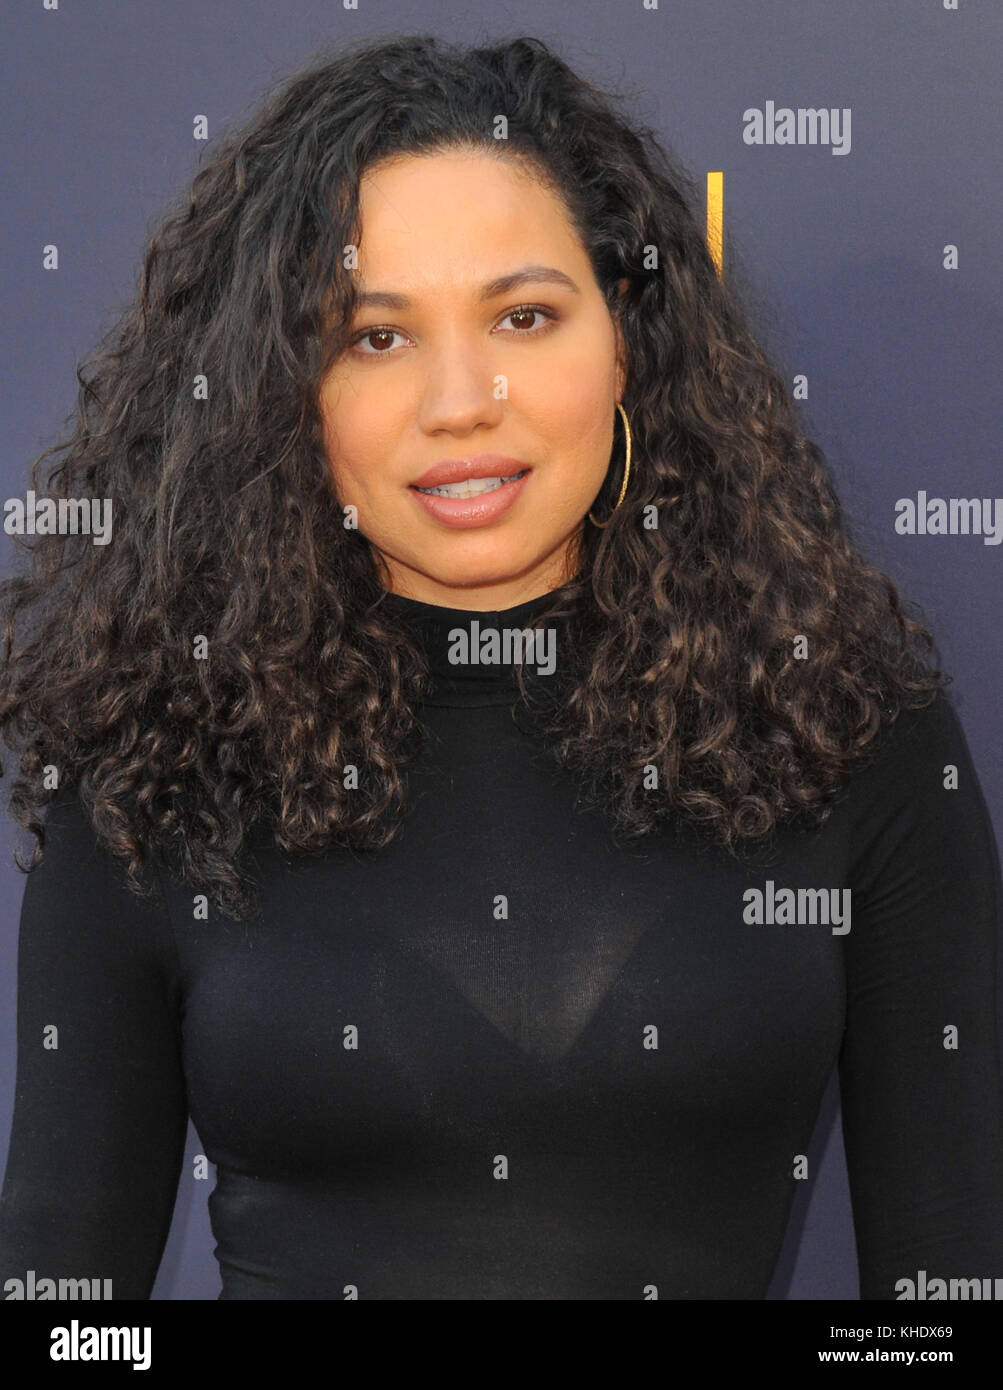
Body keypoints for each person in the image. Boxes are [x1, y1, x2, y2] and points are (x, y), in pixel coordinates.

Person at [1, 32, 1001, 1302]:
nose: (461, 398)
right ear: (279, 390)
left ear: (628, 336)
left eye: (523, 315)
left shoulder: (849, 729)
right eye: (375, 337)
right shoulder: (157, 755)